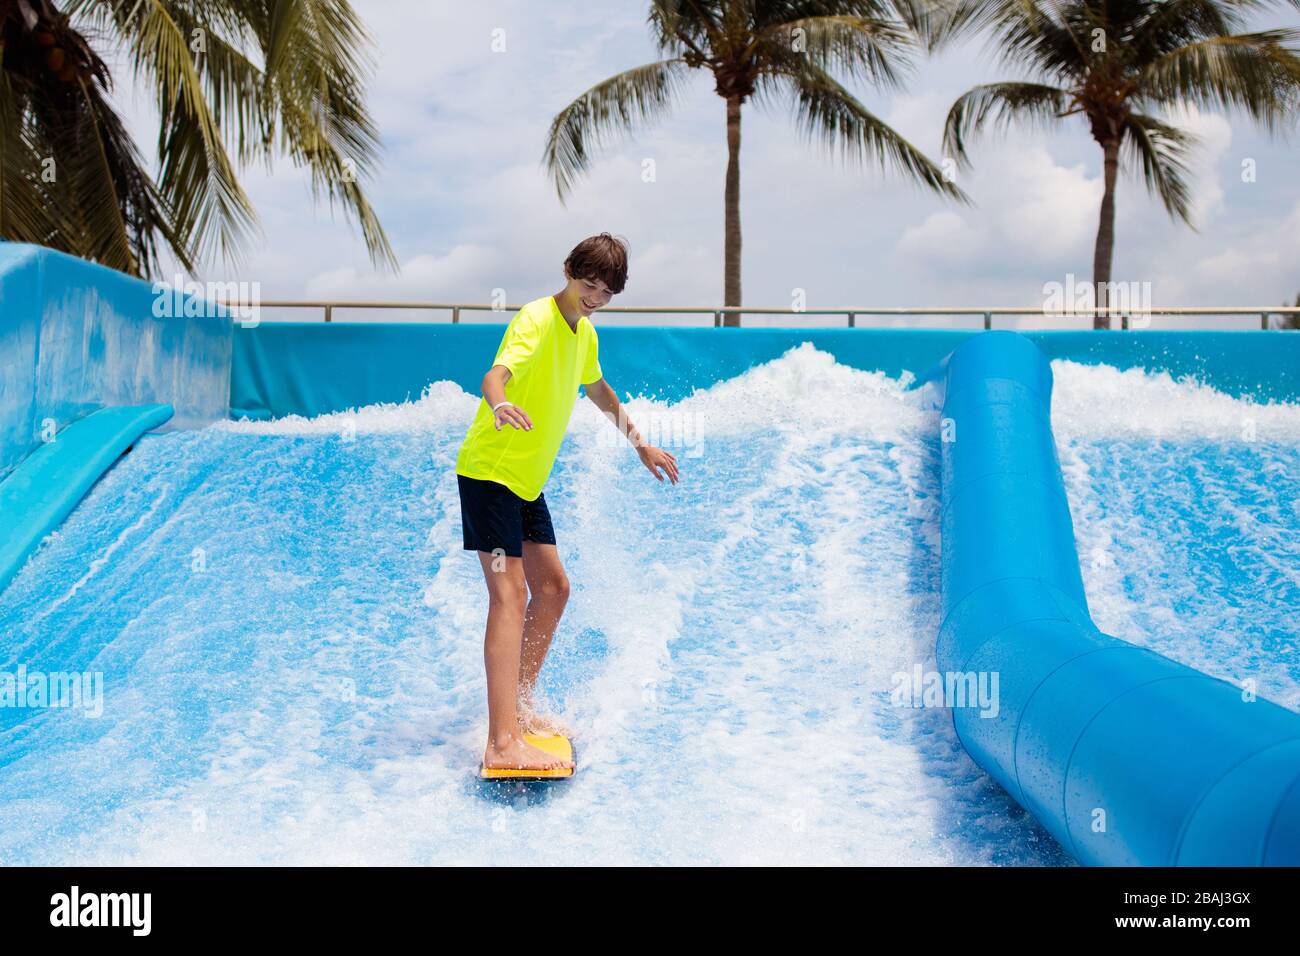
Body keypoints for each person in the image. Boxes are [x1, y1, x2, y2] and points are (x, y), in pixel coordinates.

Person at [455, 233, 679, 772]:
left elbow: (598, 391)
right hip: (490, 473)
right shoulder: (535, 319)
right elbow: (495, 374)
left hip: (526, 482)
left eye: (605, 292)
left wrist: (640, 442)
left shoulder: (585, 335)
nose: (594, 297)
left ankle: (521, 709)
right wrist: (500, 402)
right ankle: (501, 742)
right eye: (588, 284)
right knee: (509, 597)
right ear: (568, 271)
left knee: (553, 589)